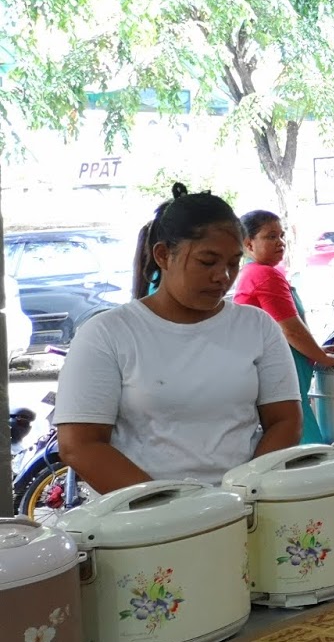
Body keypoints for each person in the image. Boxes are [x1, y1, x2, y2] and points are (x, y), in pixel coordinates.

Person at [55, 185, 301, 490]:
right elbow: (79, 445)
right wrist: (174, 509)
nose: (222, 276)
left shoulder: (257, 327)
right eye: (207, 261)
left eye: (233, 262)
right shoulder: (107, 333)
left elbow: (286, 421)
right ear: (163, 255)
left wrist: (242, 493)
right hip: (145, 520)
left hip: (242, 512)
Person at [235, 210, 334, 444]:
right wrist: (326, 360)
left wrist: (319, 350)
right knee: (305, 449)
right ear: (248, 243)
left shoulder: (254, 273)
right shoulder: (264, 274)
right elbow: (291, 329)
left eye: (281, 235)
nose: (280, 242)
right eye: (271, 236)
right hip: (280, 368)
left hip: (277, 367)